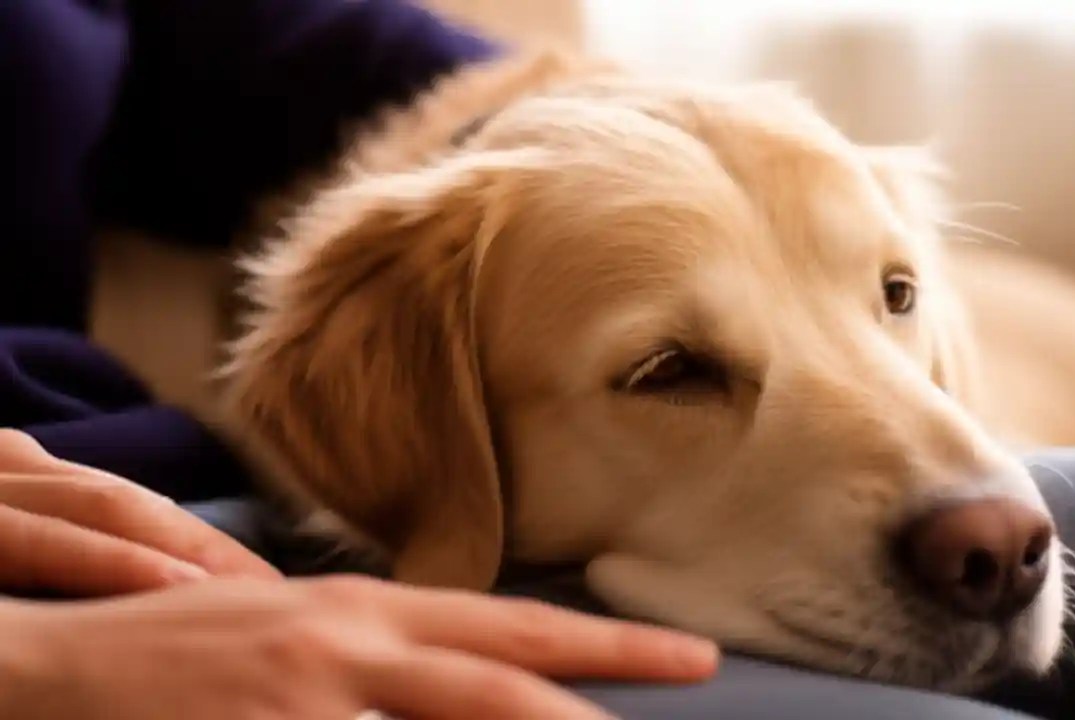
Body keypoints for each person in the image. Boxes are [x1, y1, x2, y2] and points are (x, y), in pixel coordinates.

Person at [0, 1, 718, 717]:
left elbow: (282, 63)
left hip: (202, 526)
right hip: (87, 604)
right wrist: (31, 659)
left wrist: (653, 135)